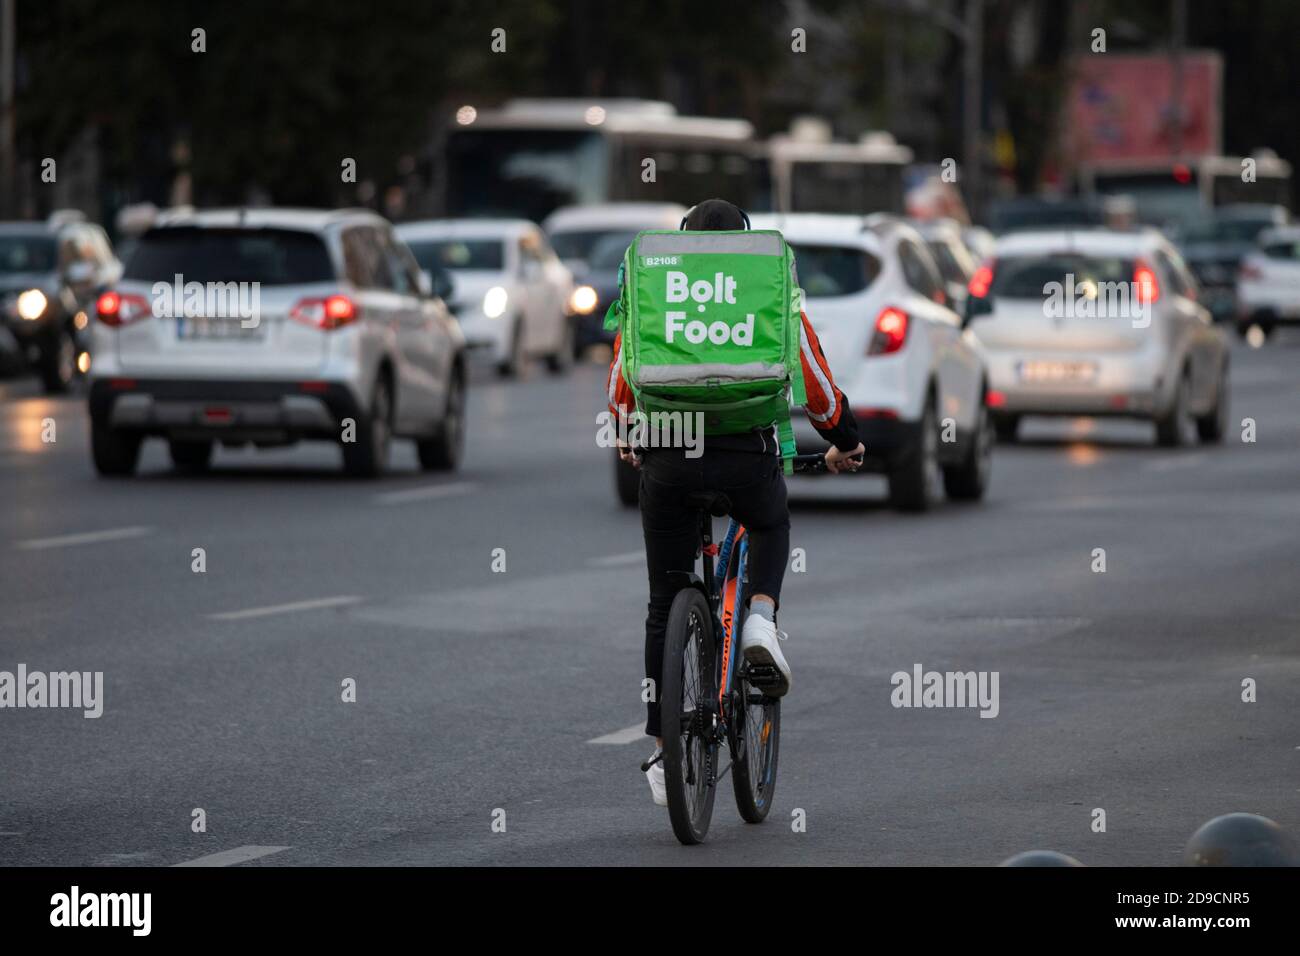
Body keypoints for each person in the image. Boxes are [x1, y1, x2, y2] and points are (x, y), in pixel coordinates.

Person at [603, 198, 865, 806]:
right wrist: (844, 440)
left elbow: (622, 380)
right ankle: (760, 619)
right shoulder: (766, 285)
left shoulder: (658, 288)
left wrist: (629, 435)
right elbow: (816, 384)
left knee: (663, 605)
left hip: (668, 456)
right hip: (748, 457)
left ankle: (665, 745)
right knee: (769, 524)